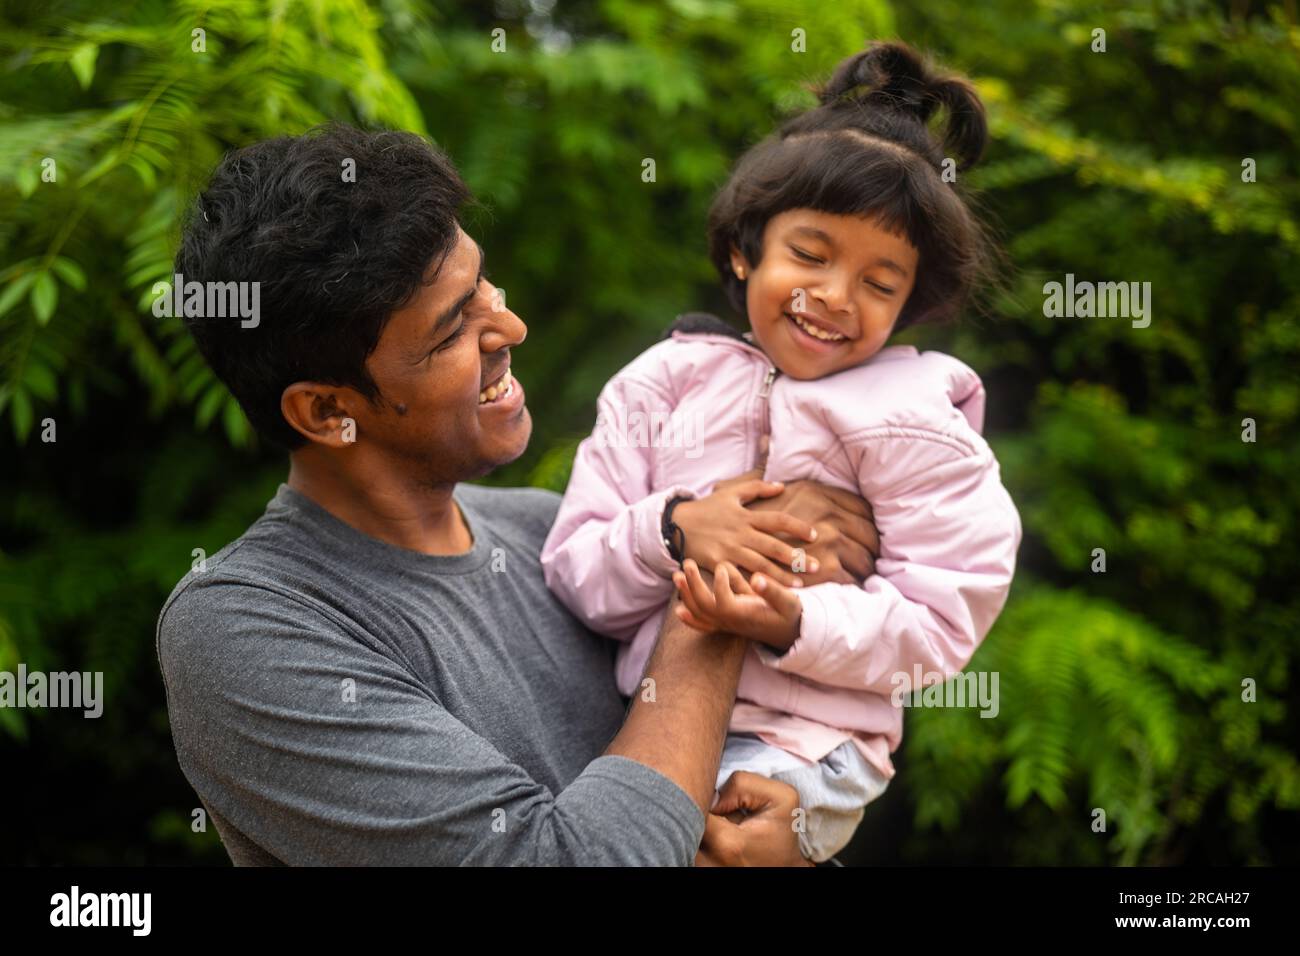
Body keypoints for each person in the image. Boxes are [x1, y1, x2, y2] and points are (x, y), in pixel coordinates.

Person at [155, 124, 879, 865]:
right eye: (450, 332)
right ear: (327, 412)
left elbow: (714, 780)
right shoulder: (246, 627)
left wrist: (797, 842)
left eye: (484, 287)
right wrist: (720, 593)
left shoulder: (556, 538)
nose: (510, 328)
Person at [541, 41, 1022, 862]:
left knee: (709, 847)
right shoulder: (660, 384)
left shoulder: (917, 423)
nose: (836, 297)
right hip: (646, 721)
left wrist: (794, 619)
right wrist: (677, 527)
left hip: (810, 749)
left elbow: (941, 623)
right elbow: (577, 574)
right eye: (810, 254)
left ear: (907, 305)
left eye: (881, 283)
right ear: (743, 248)